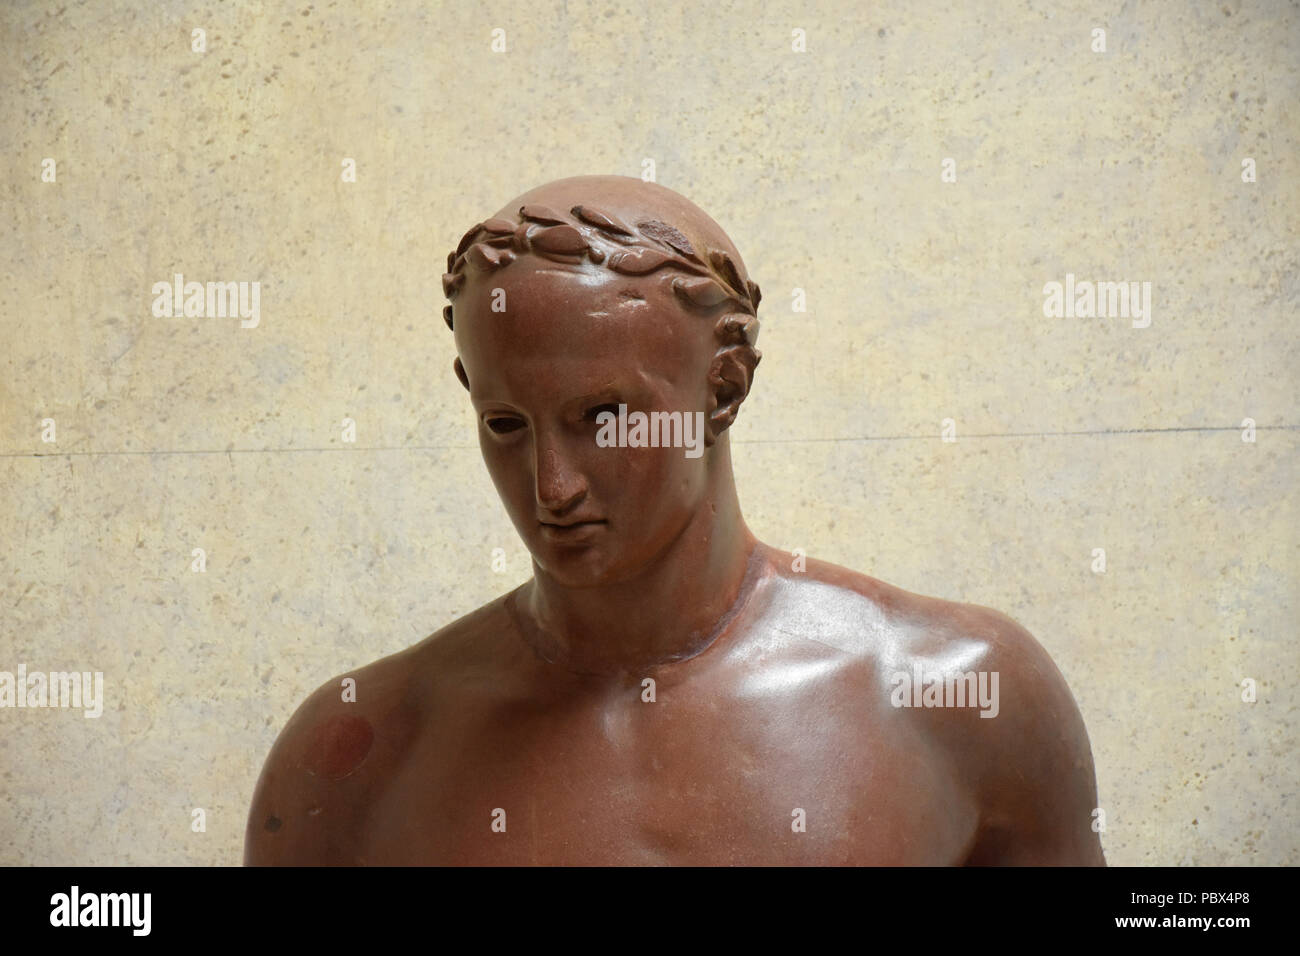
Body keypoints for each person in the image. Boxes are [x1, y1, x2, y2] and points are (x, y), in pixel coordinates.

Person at [245, 175, 1105, 865]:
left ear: (723, 389)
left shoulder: (962, 698)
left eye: (606, 419)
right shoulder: (359, 757)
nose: (552, 485)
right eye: (506, 426)